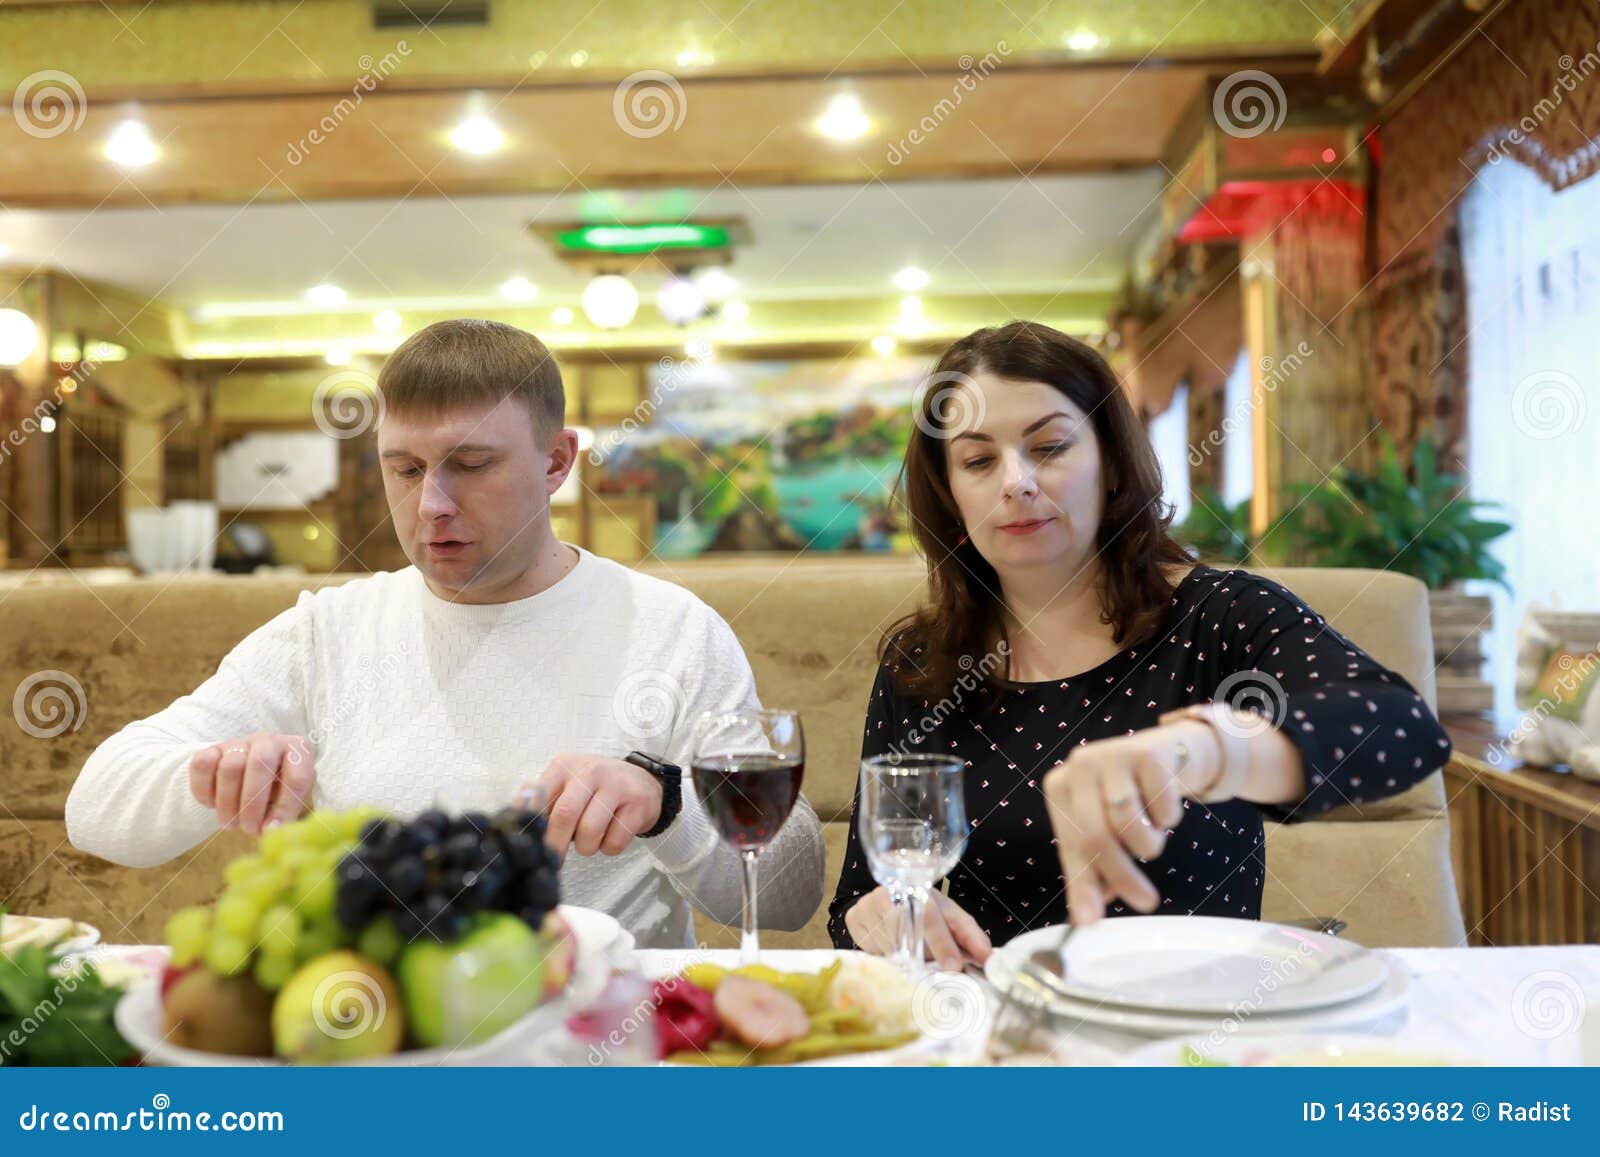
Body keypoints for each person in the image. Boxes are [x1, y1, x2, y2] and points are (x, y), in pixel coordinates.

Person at [67, 319, 825, 949]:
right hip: (380, 1049)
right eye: (404, 468)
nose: (432, 504)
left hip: (604, 1060)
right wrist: (211, 770)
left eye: (470, 465)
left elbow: (791, 892)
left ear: (557, 460)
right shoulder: (324, 633)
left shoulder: (673, 631)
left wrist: (666, 802)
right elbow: (95, 808)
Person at [828, 320, 1450, 969]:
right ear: (952, 496)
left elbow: (1403, 729)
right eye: (979, 460)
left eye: (1049, 447)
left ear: (1113, 464)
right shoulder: (922, 667)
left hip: (1198, 1036)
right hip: (1012, 1037)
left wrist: (1207, 748)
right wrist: (886, 915)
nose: (1016, 482)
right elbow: (856, 905)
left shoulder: (1220, 616)